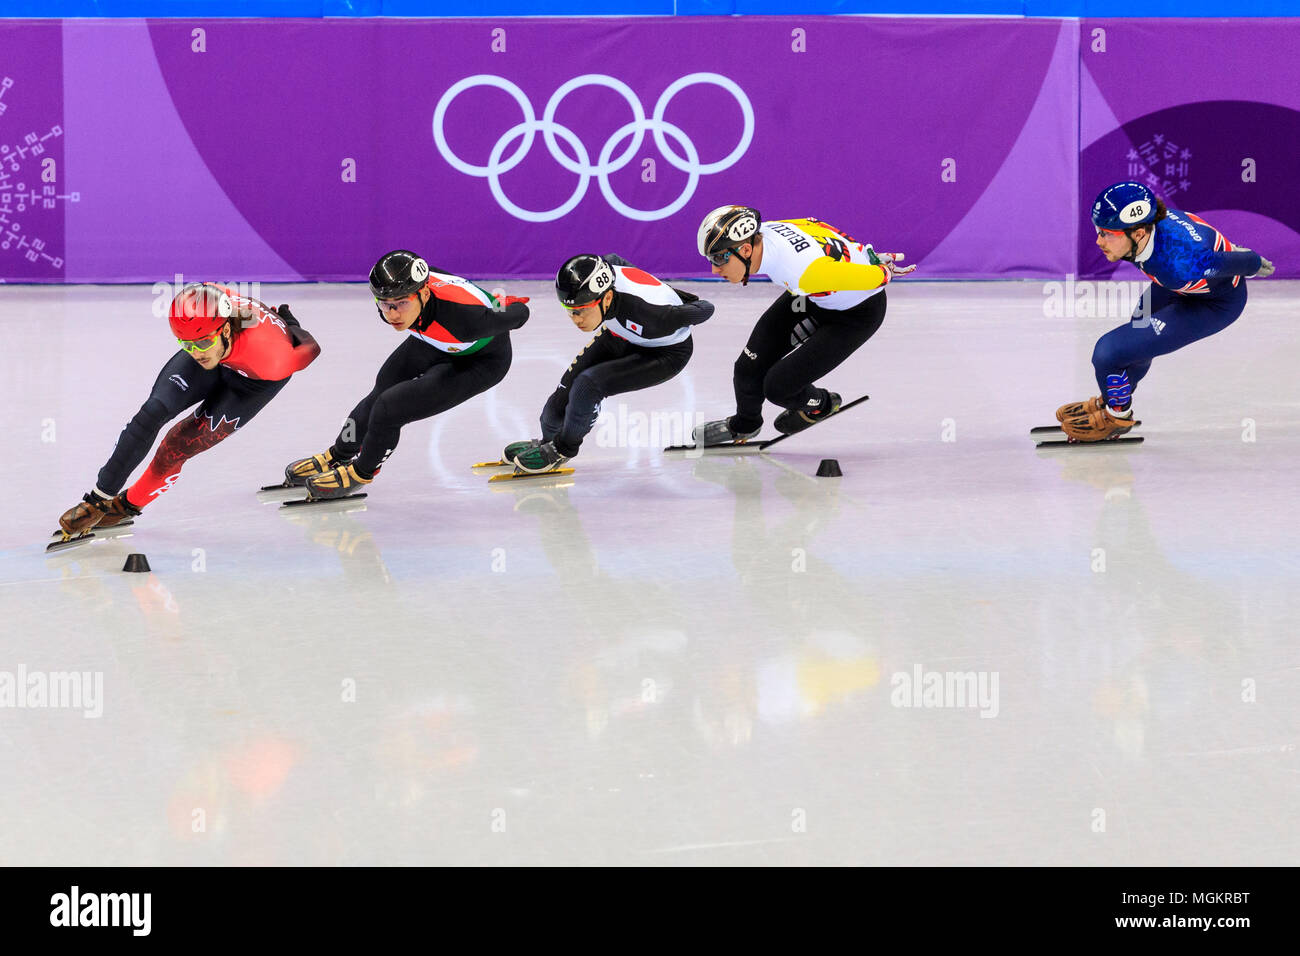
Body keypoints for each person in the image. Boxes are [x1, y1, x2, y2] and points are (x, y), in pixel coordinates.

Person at [55, 283, 321, 540]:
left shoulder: (274, 358)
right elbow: (208, 297)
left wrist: (292, 327)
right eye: (186, 345)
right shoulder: (208, 318)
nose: (195, 353)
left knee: (178, 445)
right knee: (152, 413)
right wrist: (100, 498)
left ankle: (130, 504)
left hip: (254, 381)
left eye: (201, 344)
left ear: (226, 329)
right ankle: (99, 501)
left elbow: (311, 349)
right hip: (225, 351)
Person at [285, 250, 529, 497]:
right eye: (385, 304)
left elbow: (519, 314)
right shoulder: (400, 299)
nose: (392, 314)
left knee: (389, 408)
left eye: (402, 303)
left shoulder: (467, 321)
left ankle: (361, 472)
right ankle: (339, 454)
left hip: (481, 360)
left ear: (423, 293)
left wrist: (504, 304)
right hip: (434, 338)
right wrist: (398, 304)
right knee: (379, 391)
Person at [1057, 181, 1275, 441]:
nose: (1098, 240)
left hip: (1214, 305)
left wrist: (1252, 263)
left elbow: (1220, 262)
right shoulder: (1153, 228)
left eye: (1107, 233)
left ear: (1137, 234)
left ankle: (1118, 417)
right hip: (1178, 284)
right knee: (1137, 331)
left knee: (1108, 353)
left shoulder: (1179, 265)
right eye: (1098, 230)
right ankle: (1115, 398)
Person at [691, 205, 914, 444]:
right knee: (748, 367)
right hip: (815, 295)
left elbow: (876, 278)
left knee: (779, 387)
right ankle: (746, 425)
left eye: (718, 258)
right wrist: (864, 254)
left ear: (746, 249)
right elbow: (814, 223)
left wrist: (881, 270)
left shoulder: (801, 270)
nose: (715, 269)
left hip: (857, 315)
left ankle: (823, 405)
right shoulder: (768, 232)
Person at [504, 254, 714, 474]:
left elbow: (707, 308)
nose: (576, 319)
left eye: (581, 310)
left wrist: (677, 299)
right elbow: (614, 259)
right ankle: (548, 441)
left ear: (606, 299)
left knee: (588, 385)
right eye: (570, 311)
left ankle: (562, 450)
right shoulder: (602, 278)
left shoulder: (654, 315)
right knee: (556, 406)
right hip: (621, 334)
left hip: (665, 353)